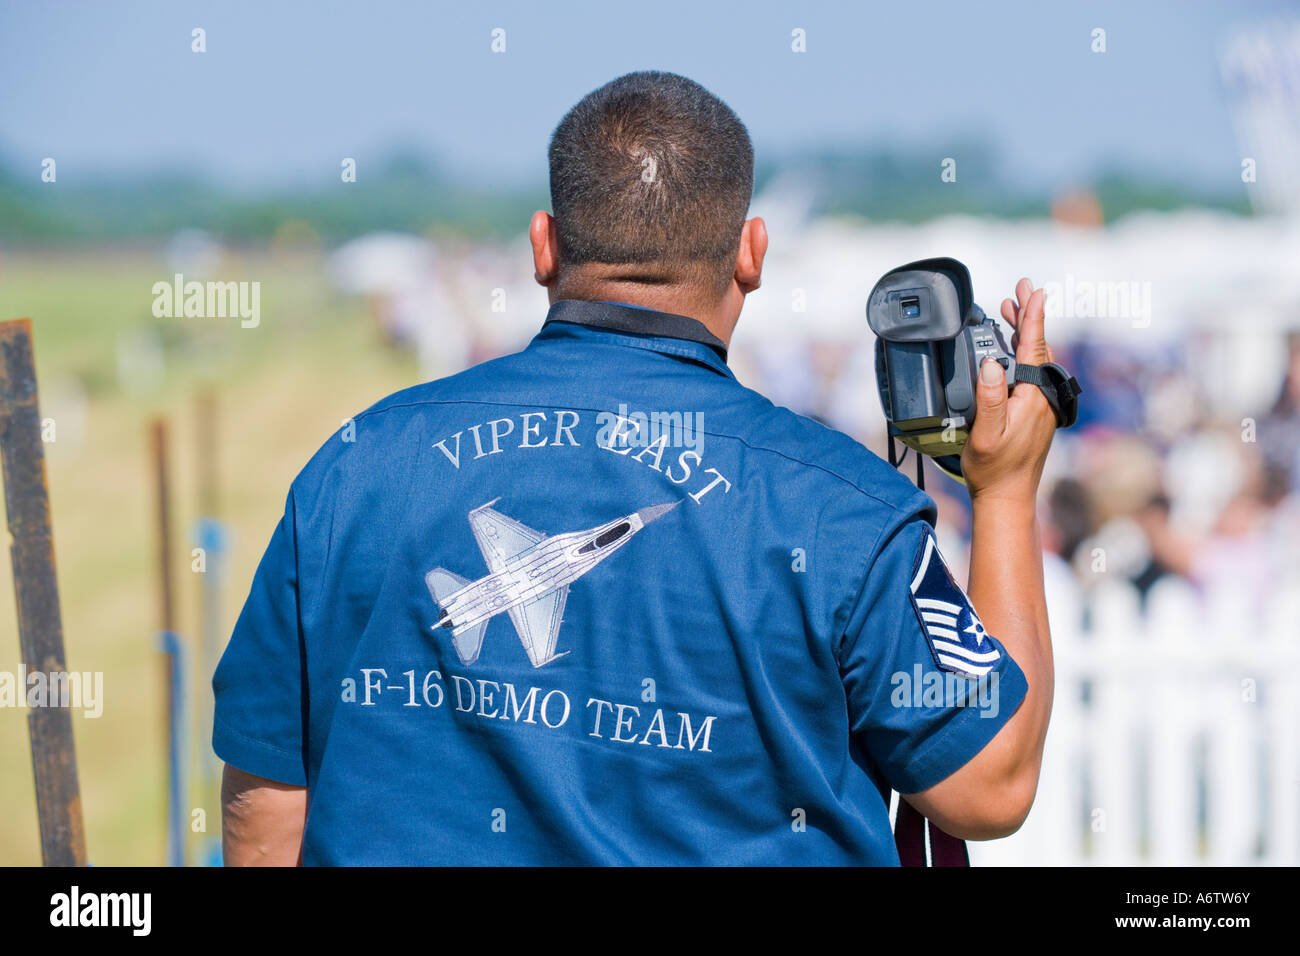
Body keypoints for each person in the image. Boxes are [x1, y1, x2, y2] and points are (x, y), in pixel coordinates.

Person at [213, 71, 1059, 865]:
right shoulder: (842, 511)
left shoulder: (357, 465)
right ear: (751, 254)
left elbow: (267, 806)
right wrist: (1008, 493)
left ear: (543, 247)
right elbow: (993, 785)